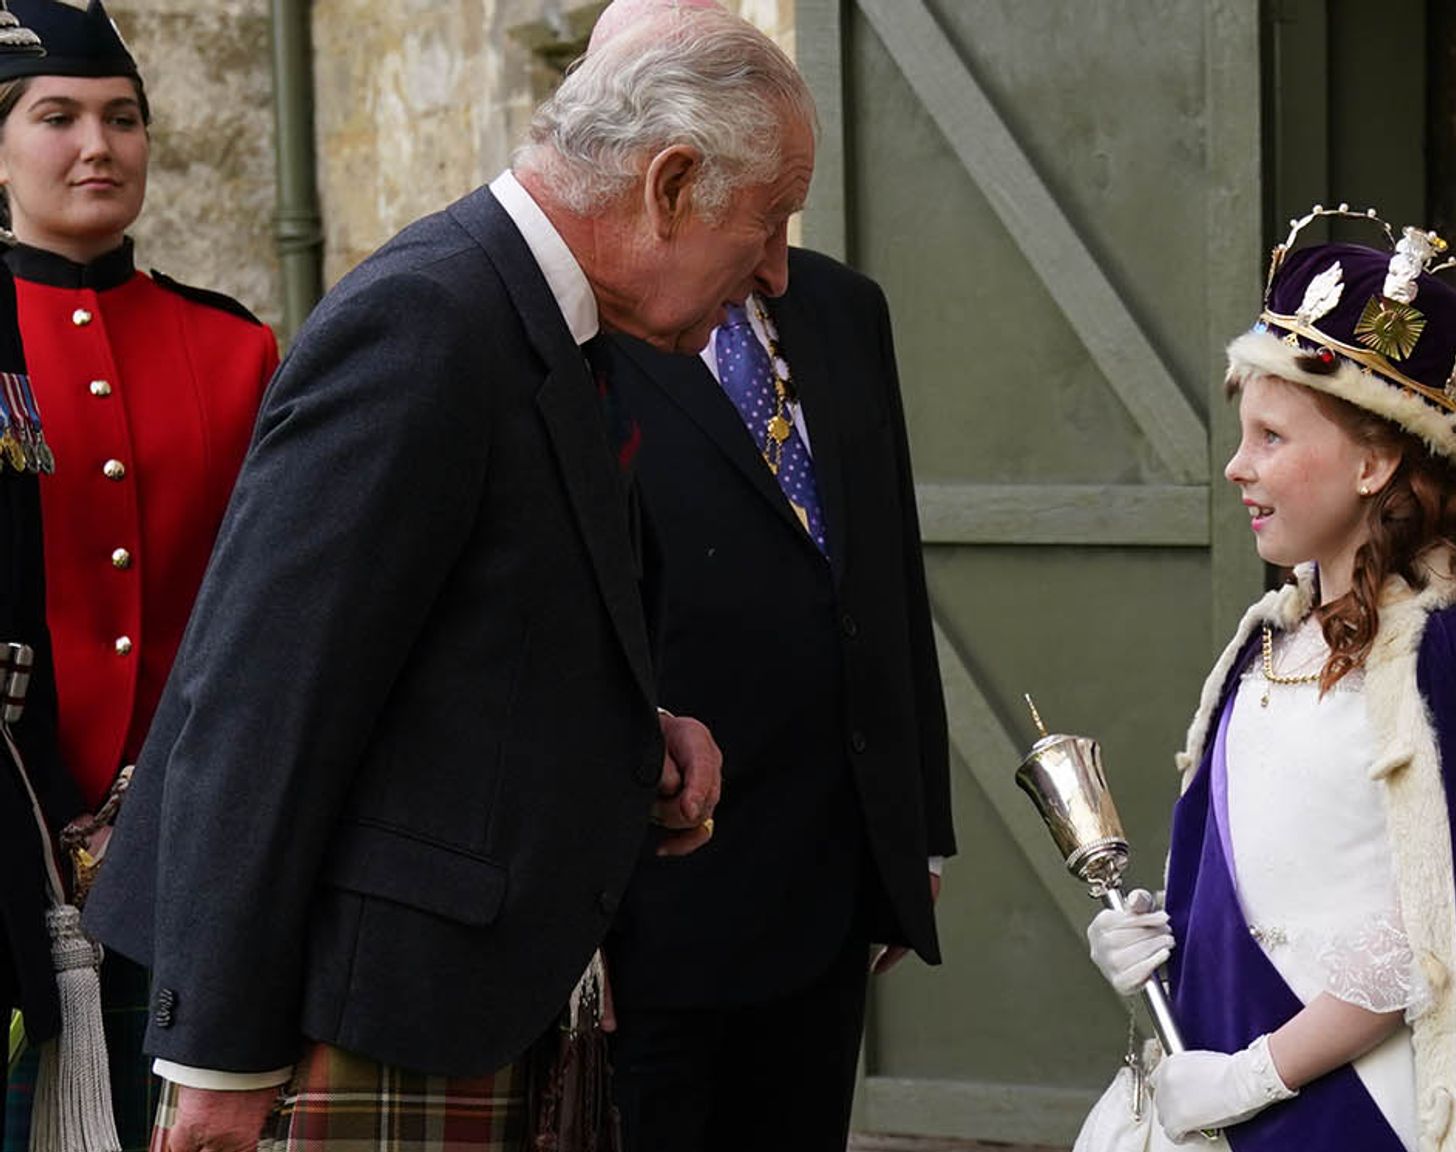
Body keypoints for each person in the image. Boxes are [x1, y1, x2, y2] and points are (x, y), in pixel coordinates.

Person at [78, 8, 814, 1150]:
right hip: (353, 1021)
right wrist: (219, 1047)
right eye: (765, 223)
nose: (773, 268)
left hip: (448, 1007)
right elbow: (265, 695)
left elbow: (471, 647)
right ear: (669, 184)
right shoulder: (429, 317)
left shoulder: (539, 318)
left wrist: (638, 737)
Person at [1077, 209, 1456, 1151]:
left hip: (1360, 1114)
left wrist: (1251, 1077)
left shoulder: (1450, 658)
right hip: (1228, 1094)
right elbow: (1269, 872)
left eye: (1273, 437)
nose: (1238, 466)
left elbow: (1435, 930)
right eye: (1245, 434)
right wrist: (1162, 939)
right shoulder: (1263, 642)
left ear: (1375, 460)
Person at [599, 210, 951, 1152]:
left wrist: (914, 828)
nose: (776, 263)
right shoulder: (578, 323)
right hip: (654, 889)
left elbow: (885, 565)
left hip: (830, 873)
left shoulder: (842, 307)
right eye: (758, 212)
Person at [0, 2, 277, 1147]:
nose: (97, 146)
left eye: (123, 118)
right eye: (56, 117)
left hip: (180, 848)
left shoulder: (232, 347)